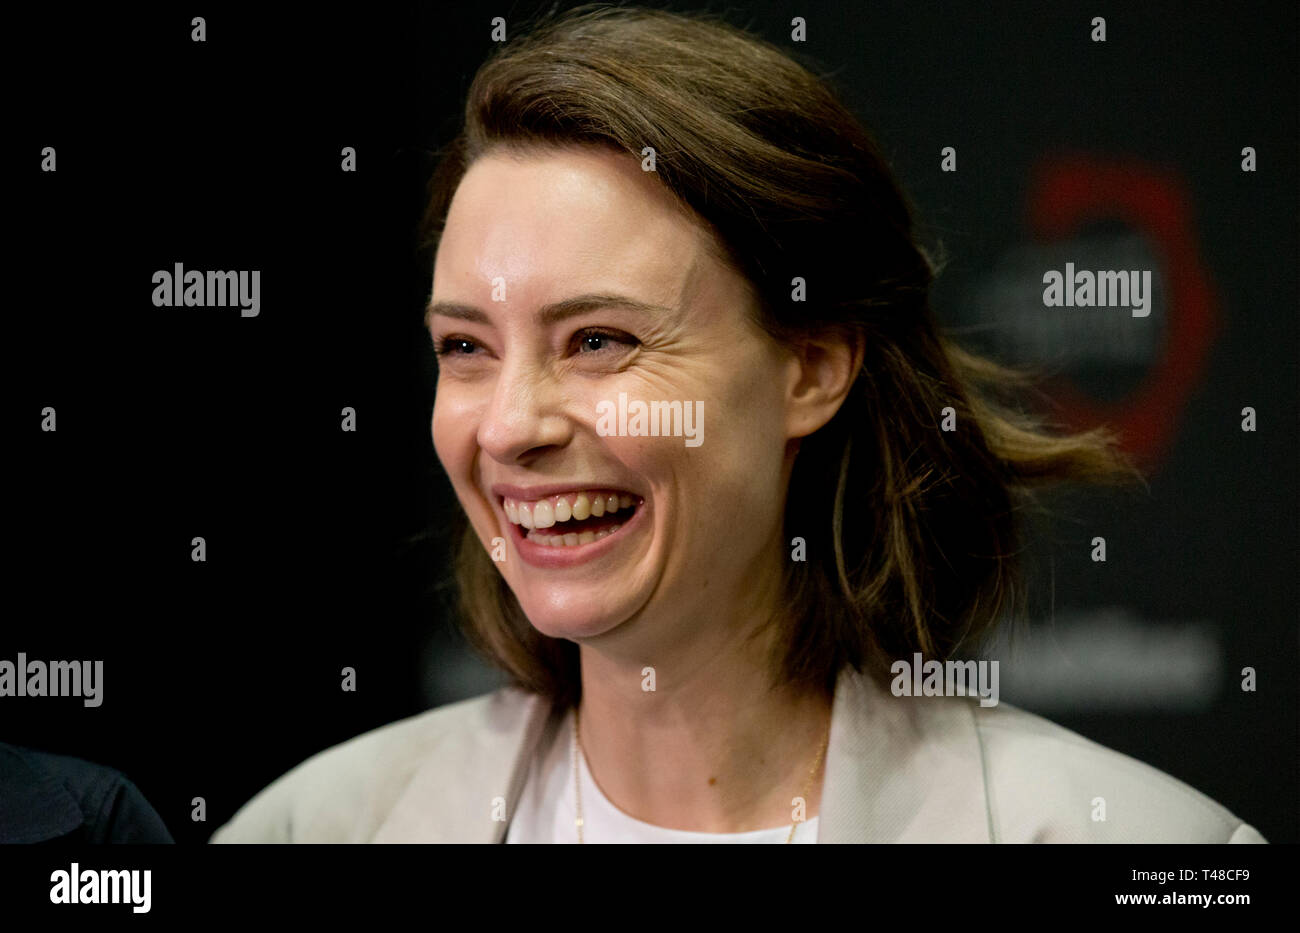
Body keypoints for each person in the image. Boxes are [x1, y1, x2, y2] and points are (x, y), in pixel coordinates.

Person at [211, 4, 1265, 843]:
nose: (510, 427)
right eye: (464, 349)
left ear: (809, 367)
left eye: (598, 341)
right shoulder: (317, 828)